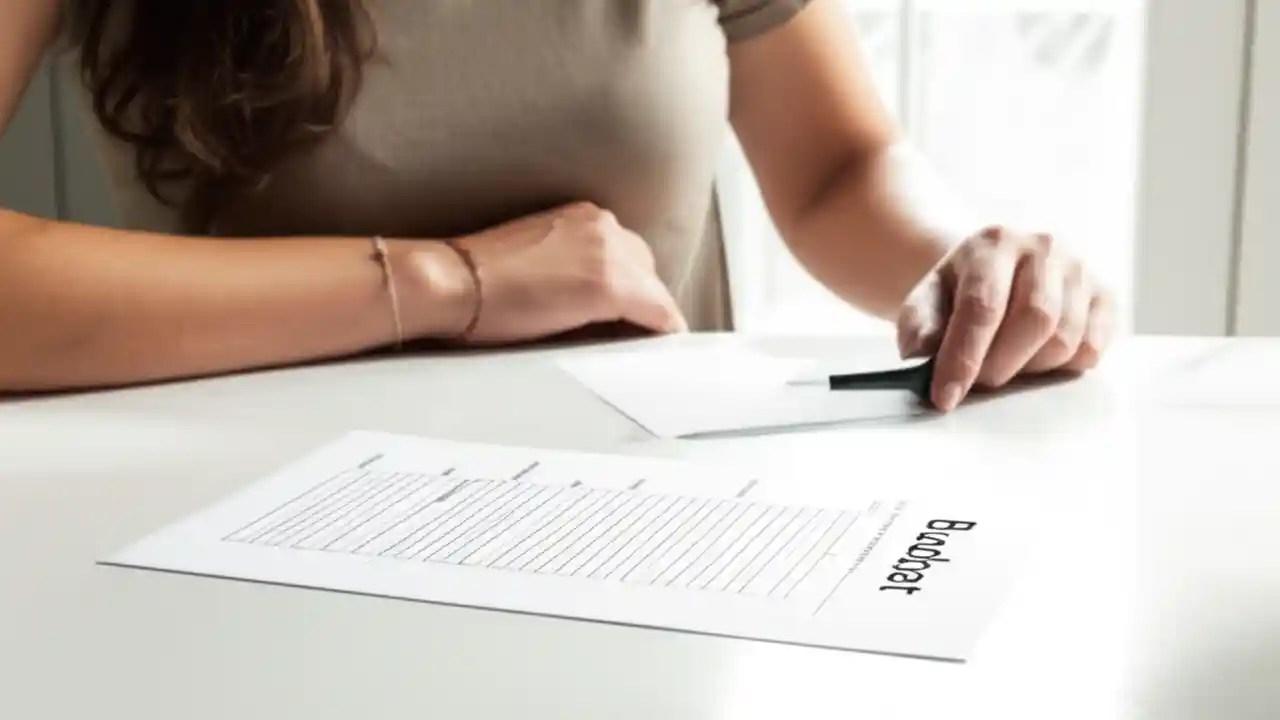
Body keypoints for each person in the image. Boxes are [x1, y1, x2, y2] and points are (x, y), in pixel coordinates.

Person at [0, 0, 1113, 411]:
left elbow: (837, 165)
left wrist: (963, 259)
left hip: (654, 523)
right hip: (229, 504)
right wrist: (453, 285)